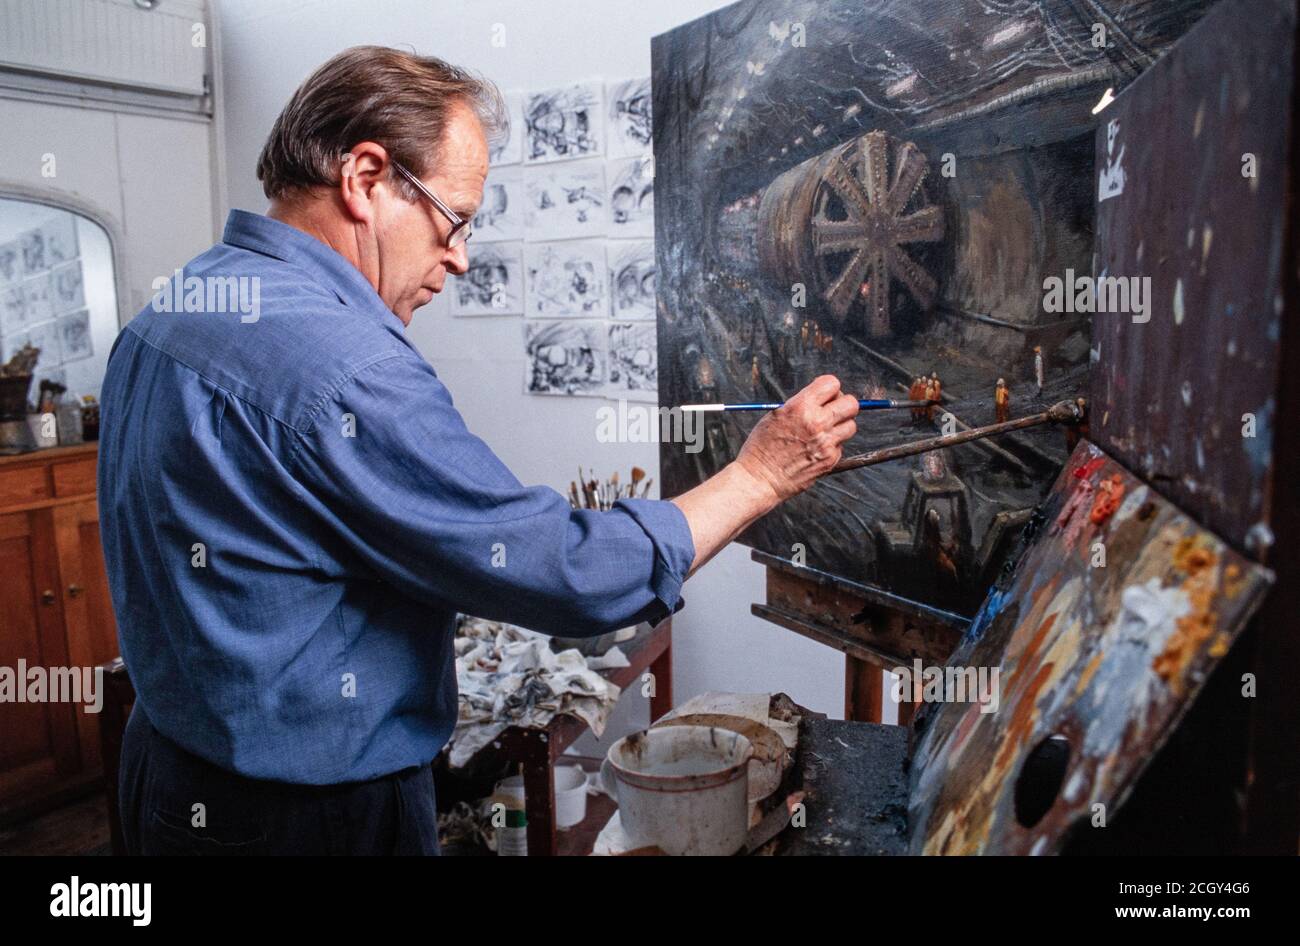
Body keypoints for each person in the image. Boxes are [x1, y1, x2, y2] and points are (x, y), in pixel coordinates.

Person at [97, 46, 859, 856]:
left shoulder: (172, 310)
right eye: (453, 219)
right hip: (305, 824)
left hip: (166, 784)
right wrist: (759, 475)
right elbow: (568, 573)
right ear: (364, 178)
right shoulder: (345, 367)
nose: (459, 256)